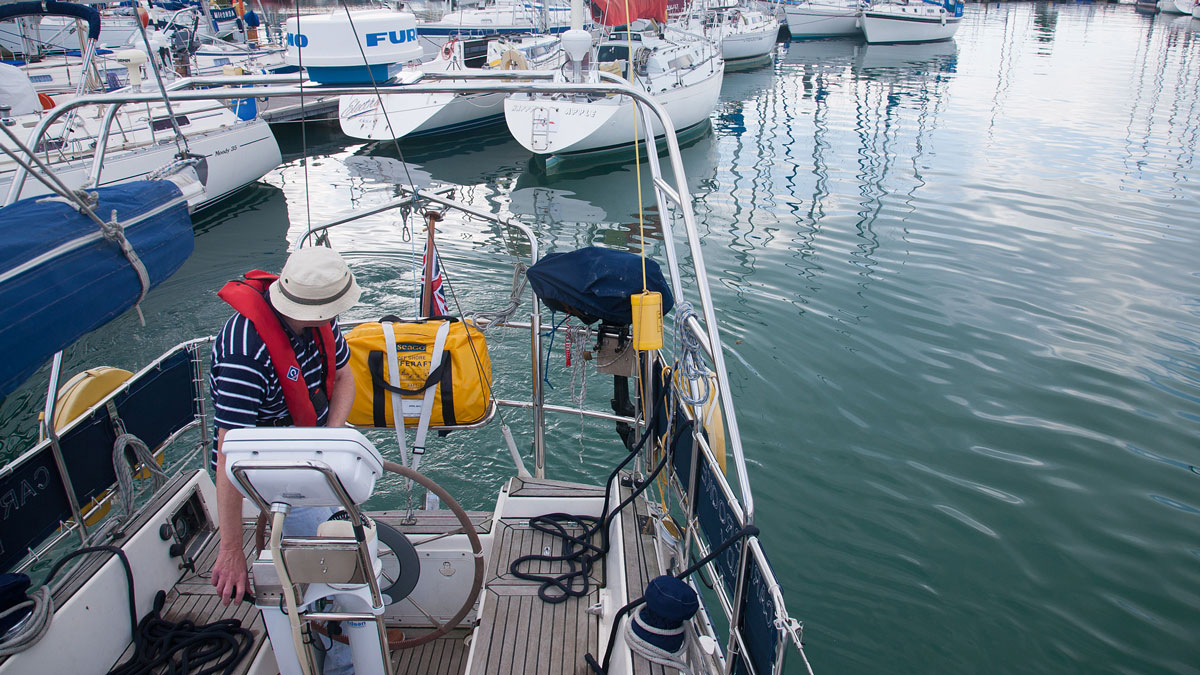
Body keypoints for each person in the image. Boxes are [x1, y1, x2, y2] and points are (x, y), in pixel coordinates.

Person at [207, 246, 360, 610]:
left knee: (344, 525)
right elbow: (230, 452)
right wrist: (230, 550)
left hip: (313, 445)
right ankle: (335, 641)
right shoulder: (243, 354)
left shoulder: (319, 317)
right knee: (334, 557)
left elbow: (343, 376)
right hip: (267, 462)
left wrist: (329, 440)